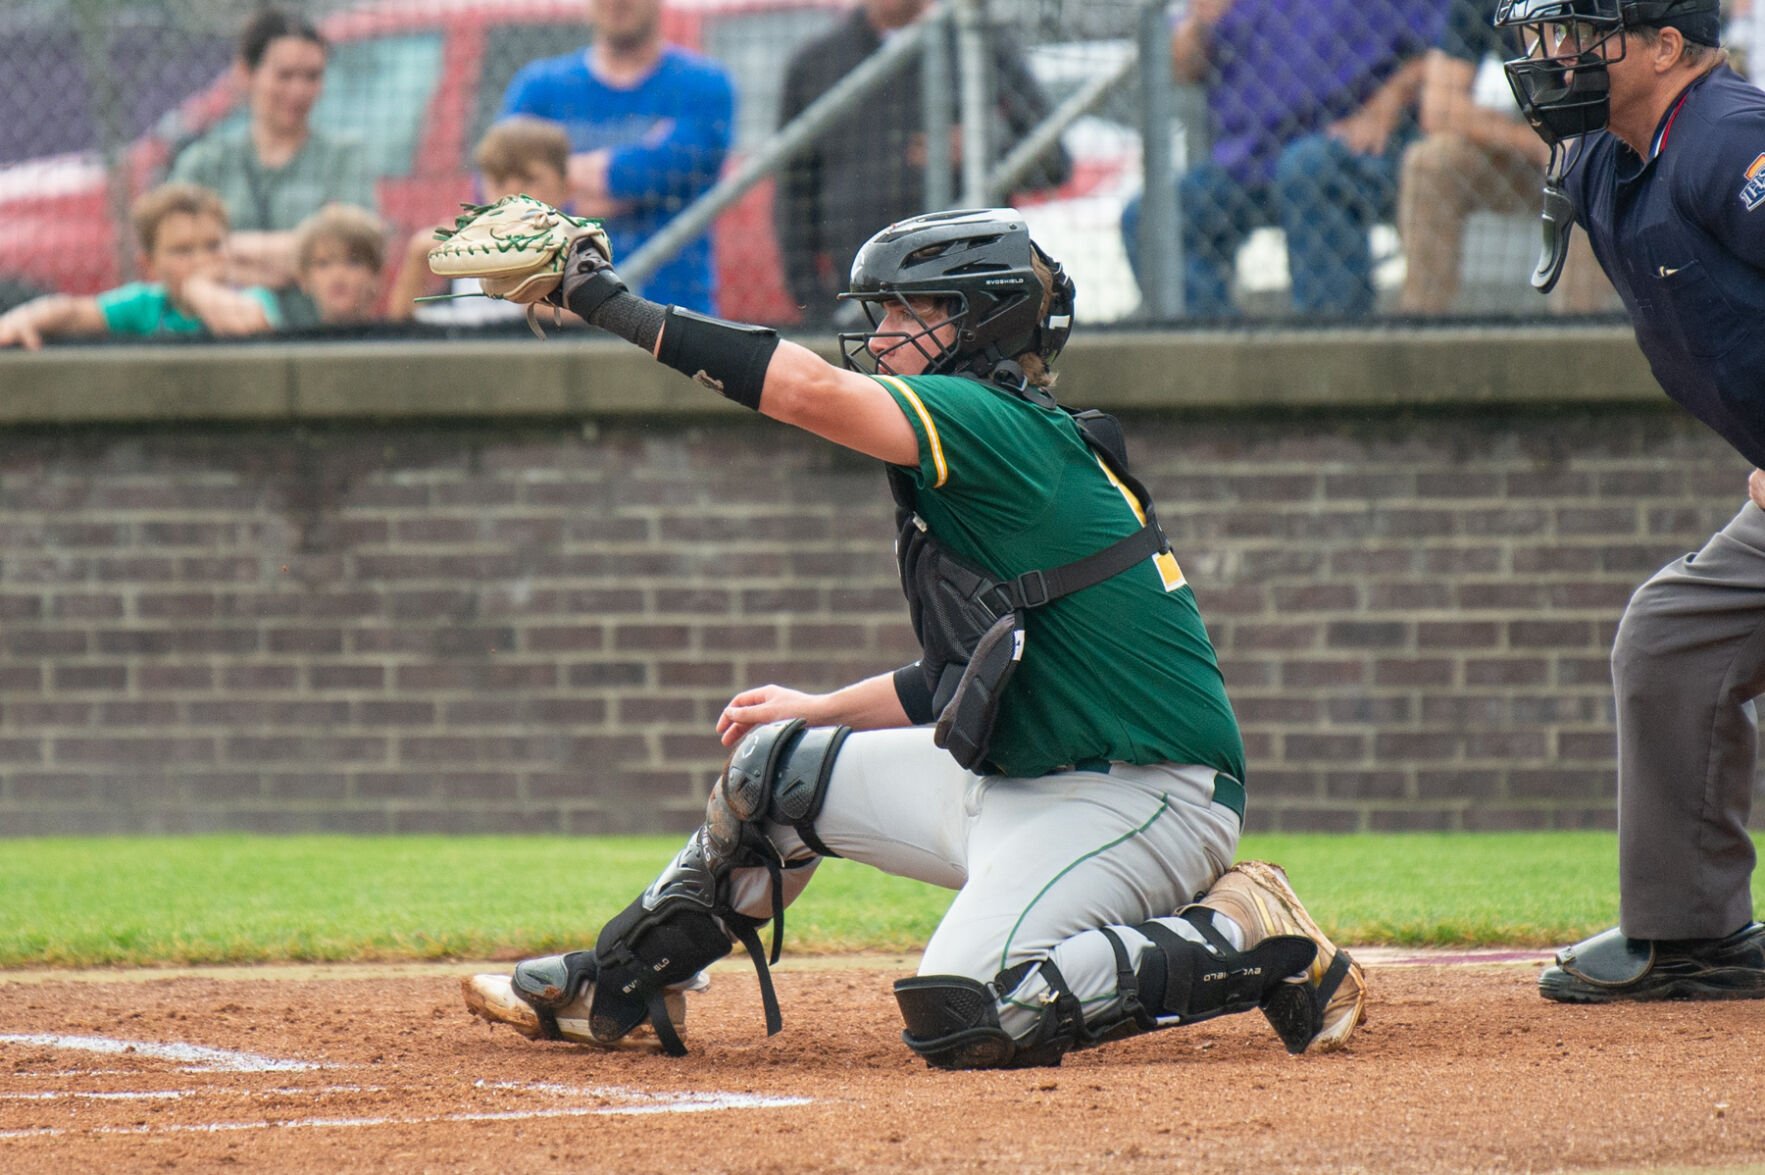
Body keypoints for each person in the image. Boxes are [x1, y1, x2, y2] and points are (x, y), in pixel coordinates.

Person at [457, 207, 1366, 1067]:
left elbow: (804, 389)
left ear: (983, 323)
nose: (883, 332)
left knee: (977, 1009)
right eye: (882, 310)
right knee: (775, 771)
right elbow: (963, 674)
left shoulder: (991, 421)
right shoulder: (989, 449)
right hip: (1025, 781)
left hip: (1143, 795)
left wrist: (600, 298)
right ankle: (620, 985)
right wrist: (821, 707)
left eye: (911, 310)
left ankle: (1243, 925)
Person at [1493, 0, 1765, 1001]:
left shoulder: (1727, 137)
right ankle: (1690, 932)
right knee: (1672, 639)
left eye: (1581, 35)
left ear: (1666, 47)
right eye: (1549, 35)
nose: (1554, 56)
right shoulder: (1600, 159)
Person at [1120, 0, 1442, 318]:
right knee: (1146, 218)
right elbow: (1183, 68)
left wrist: (1385, 106)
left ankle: (1333, 340)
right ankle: (1219, 347)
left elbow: (1445, 47)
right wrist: (1199, 22)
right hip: (1250, 159)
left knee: (1306, 168)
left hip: (1350, 148)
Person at [775, 0, 1071, 323]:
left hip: (966, 296)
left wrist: (981, 150)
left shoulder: (978, 43)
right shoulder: (816, 62)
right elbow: (792, 196)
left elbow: (1054, 162)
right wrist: (815, 306)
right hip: (862, 301)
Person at [498, 0, 733, 315]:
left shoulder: (702, 85)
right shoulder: (539, 88)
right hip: (558, 312)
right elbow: (500, 186)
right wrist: (636, 183)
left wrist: (554, 186)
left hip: (671, 315)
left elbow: (662, 170)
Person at [1396, 0, 1612, 314]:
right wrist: (1536, 143)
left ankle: (1577, 331)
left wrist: (1572, 147)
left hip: (1605, 141)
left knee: (1585, 168)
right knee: (1430, 162)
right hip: (1534, 151)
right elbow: (1440, 108)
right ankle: (1421, 329)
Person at [168, 9, 373, 310]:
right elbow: (175, 261)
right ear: (246, 74)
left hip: (317, 330)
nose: (298, 90)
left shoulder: (345, 157)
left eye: (312, 76)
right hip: (221, 326)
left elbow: (355, 254)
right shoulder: (203, 163)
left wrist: (221, 253)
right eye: (284, 75)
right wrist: (306, 255)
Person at [0, 183, 278, 349]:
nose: (201, 260)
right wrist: (21, 320)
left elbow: (249, 325)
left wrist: (198, 289)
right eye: (182, 251)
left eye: (213, 246)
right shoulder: (146, 305)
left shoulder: (252, 297)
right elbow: (71, 313)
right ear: (150, 265)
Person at [387, 117, 578, 327]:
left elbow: (586, 320)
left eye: (529, 180)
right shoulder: (466, 259)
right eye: (499, 181)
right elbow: (402, 330)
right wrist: (418, 256)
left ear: (566, 187)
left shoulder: (579, 249)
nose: (512, 195)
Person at [284, 204, 384, 328]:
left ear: (375, 274)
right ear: (303, 277)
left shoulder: (394, 337)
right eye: (323, 264)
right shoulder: (295, 339)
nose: (338, 275)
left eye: (352, 262)